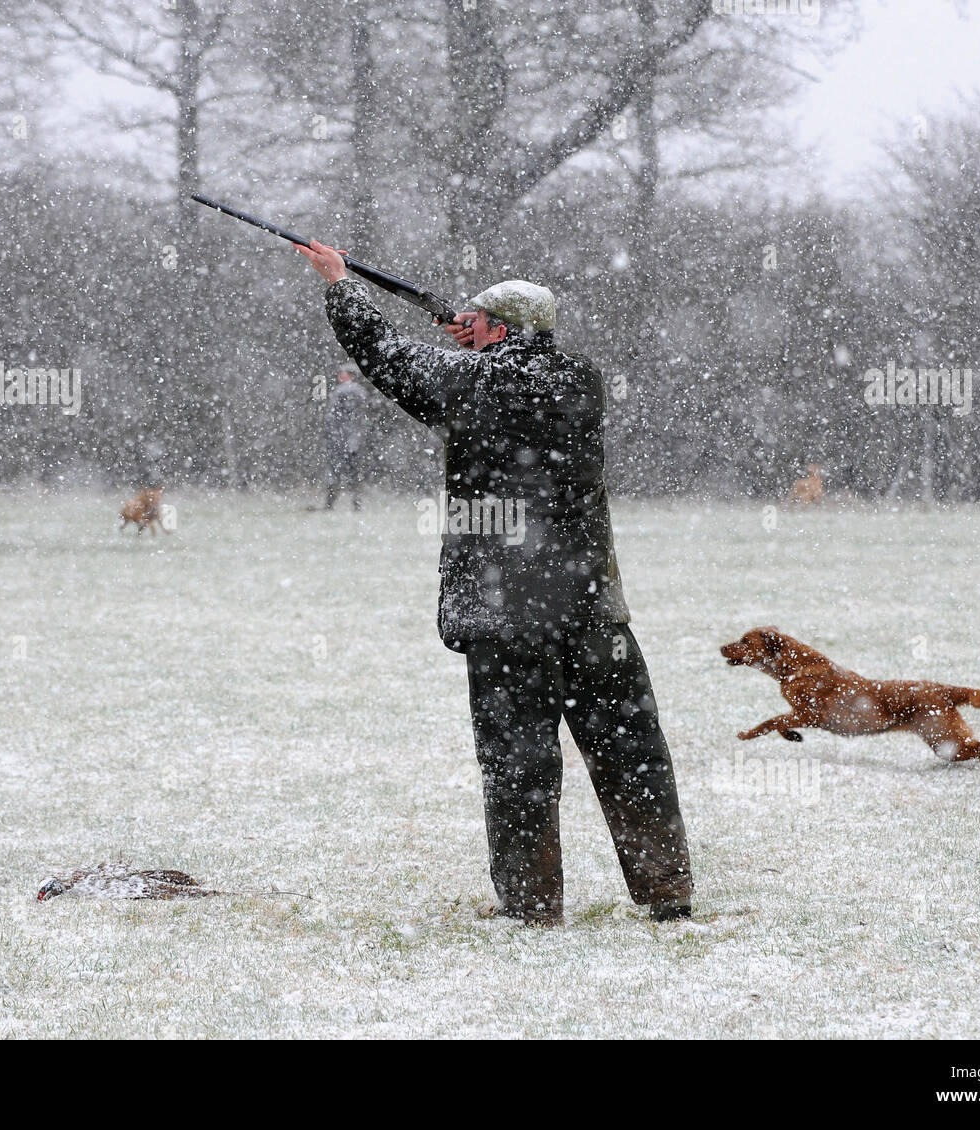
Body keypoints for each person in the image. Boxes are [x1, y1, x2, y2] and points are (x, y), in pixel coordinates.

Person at [295, 238, 694, 927]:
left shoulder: (470, 383)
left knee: (519, 768)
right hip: (593, 609)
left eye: (477, 323)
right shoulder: (582, 378)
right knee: (632, 753)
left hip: (507, 616)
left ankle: (532, 906)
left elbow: (388, 359)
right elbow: (495, 368)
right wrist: (474, 334)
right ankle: (667, 892)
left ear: (498, 332)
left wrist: (339, 284)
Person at [323, 364, 367, 511]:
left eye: (342, 373)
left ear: (350, 375)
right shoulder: (360, 392)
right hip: (351, 439)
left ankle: (330, 504)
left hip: (342, 439)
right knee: (352, 473)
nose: (339, 376)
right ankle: (356, 504)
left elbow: (334, 416)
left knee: (336, 472)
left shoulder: (344, 391)